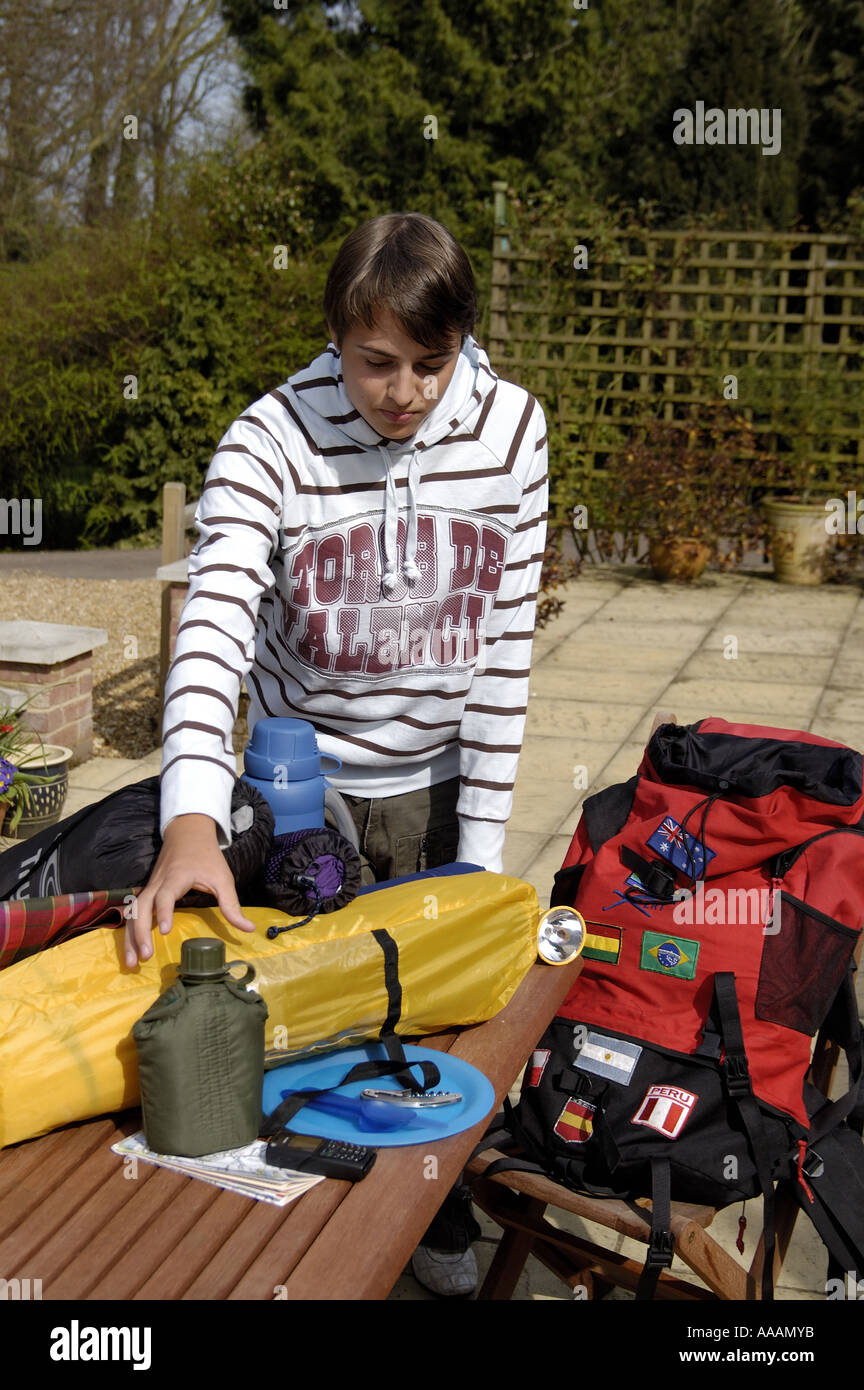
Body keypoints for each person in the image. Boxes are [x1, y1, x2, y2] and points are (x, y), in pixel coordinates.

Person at [126, 210, 548, 1294]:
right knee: (307, 1031)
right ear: (333, 337)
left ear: (460, 343)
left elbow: (505, 660)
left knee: (440, 1029)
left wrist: (483, 861)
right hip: (305, 796)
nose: (403, 391)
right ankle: (303, 1244)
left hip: (444, 788)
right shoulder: (268, 440)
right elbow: (213, 623)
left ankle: (437, 1213)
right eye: (375, 363)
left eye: (429, 363)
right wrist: (191, 817)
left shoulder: (513, 434)